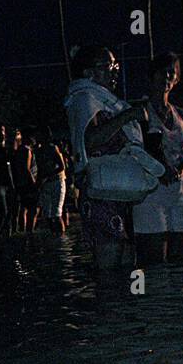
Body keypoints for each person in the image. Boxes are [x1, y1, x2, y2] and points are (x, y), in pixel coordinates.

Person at [64, 44, 146, 269]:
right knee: (109, 261)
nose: (115, 71)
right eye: (108, 66)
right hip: (102, 193)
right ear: (89, 73)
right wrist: (127, 116)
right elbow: (90, 140)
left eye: (115, 65)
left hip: (118, 191)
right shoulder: (84, 98)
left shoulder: (103, 100)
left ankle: (118, 302)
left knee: (125, 258)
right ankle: (108, 302)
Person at [134, 52, 183, 263]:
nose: (166, 77)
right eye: (161, 73)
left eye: (171, 73)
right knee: (154, 261)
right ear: (150, 76)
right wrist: (161, 170)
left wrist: (180, 171)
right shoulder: (138, 112)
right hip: (151, 192)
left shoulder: (182, 113)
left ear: (176, 79)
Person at [37, 132, 67, 234]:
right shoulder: (39, 151)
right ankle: (54, 234)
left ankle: (60, 237)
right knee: (48, 214)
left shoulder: (53, 148)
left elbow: (62, 166)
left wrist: (48, 174)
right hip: (47, 183)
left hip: (57, 182)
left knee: (57, 213)